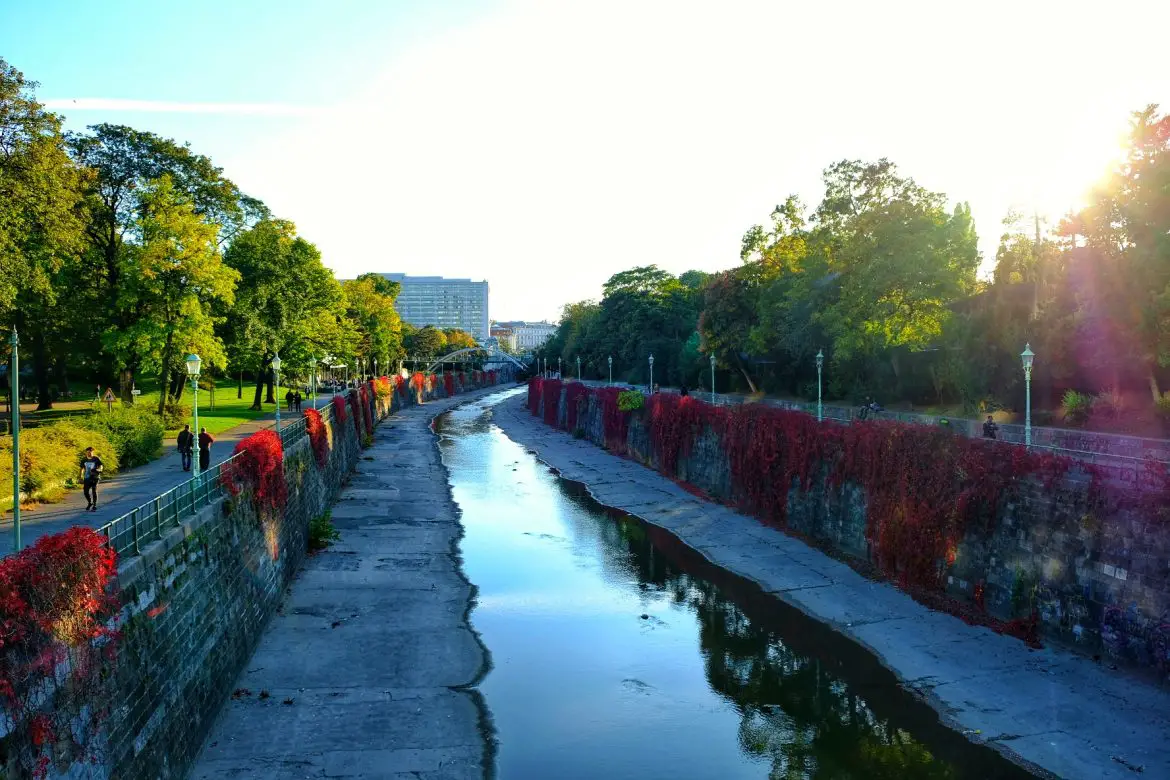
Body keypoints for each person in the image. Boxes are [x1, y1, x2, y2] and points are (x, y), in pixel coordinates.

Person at [79, 446, 104, 512]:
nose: (89, 453)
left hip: (95, 477)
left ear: (93, 452)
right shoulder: (84, 459)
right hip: (87, 477)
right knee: (85, 492)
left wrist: (99, 469)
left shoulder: (96, 459)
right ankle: (90, 502)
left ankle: (94, 505)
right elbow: (82, 468)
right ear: (86, 453)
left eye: (91, 452)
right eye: (88, 452)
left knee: (94, 490)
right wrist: (80, 476)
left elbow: (101, 466)